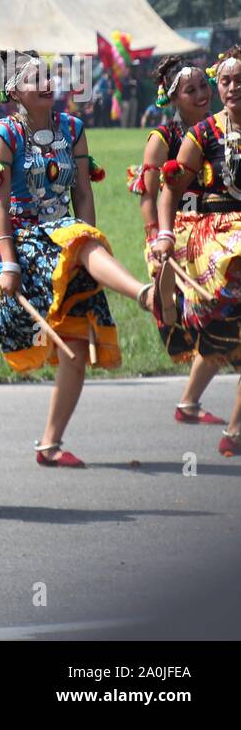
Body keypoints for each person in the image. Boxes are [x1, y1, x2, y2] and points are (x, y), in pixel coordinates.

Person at [0, 50, 153, 468]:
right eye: (33, 78)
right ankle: (145, 295)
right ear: (14, 92)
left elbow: (82, 194)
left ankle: (50, 444)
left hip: (70, 240)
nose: (47, 83)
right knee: (78, 244)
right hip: (23, 241)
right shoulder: (5, 134)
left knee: (76, 345)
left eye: (49, 76)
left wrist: (87, 235)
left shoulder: (74, 129)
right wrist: (8, 262)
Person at [154, 46, 241, 457]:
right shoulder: (202, 134)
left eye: (237, 80)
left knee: (231, 335)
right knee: (227, 329)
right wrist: (163, 236)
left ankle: (233, 432)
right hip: (218, 234)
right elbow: (165, 191)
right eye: (225, 80)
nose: (231, 88)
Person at [130, 56, 222, 425]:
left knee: (220, 315)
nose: (201, 95)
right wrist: (157, 240)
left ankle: (191, 402)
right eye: (190, 90)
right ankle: (190, 401)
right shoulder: (162, 138)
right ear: (172, 98)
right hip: (177, 234)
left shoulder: (221, 129)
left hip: (217, 231)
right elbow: (149, 196)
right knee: (215, 315)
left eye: (203, 87)